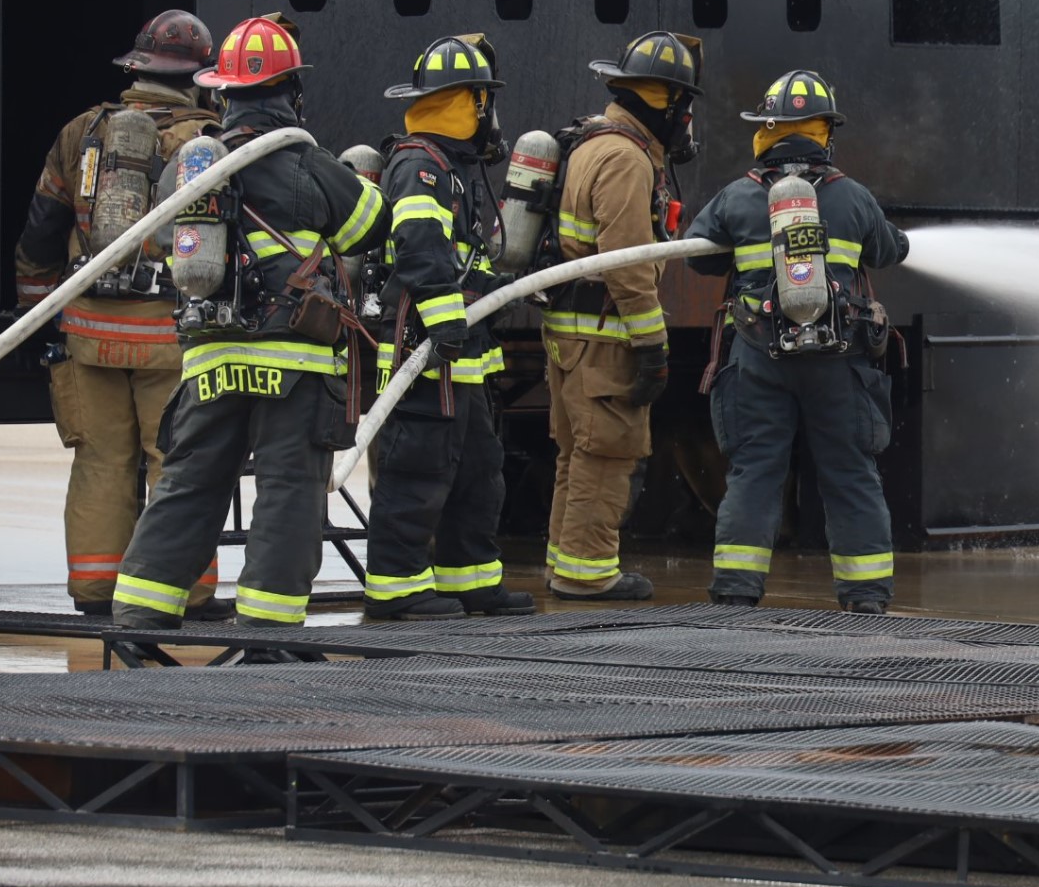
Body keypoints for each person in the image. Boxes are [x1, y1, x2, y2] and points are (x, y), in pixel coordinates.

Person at [111, 13, 389, 630]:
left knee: (190, 483)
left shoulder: (192, 168)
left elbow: (159, 238)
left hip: (209, 356)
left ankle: (139, 612)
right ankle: (269, 627)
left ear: (223, 93)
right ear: (292, 93)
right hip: (293, 363)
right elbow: (371, 225)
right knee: (289, 490)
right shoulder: (304, 165)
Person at [13, 10, 229, 618]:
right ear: (197, 78)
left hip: (86, 331)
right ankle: (183, 589)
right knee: (176, 462)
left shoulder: (81, 132)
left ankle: (96, 587)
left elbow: (42, 229)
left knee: (101, 460)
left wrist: (39, 313)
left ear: (134, 70)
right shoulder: (210, 142)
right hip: (172, 337)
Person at [684, 70, 909, 613]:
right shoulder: (852, 197)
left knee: (756, 472)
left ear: (766, 130)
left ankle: (736, 595)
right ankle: (866, 597)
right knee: (851, 474)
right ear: (824, 133)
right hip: (840, 361)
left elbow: (695, 256)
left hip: (759, 358)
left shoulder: (738, 197)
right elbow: (890, 251)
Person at [363, 34, 533, 620]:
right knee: (418, 471)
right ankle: (396, 589)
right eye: (485, 102)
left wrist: (499, 292)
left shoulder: (453, 168)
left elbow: (462, 259)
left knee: (478, 473)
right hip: (427, 350)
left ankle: (472, 580)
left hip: (460, 355)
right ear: (473, 104)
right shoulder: (421, 165)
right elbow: (416, 249)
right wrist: (444, 320)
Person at [541, 31, 703, 603]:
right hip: (606, 338)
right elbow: (629, 265)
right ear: (664, 102)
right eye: (683, 106)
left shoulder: (591, 142)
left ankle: (565, 563)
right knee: (608, 451)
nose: (686, 121)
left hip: (572, 335)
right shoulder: (625, 159)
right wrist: (654, 346)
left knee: (577, 454)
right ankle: (587, 572)